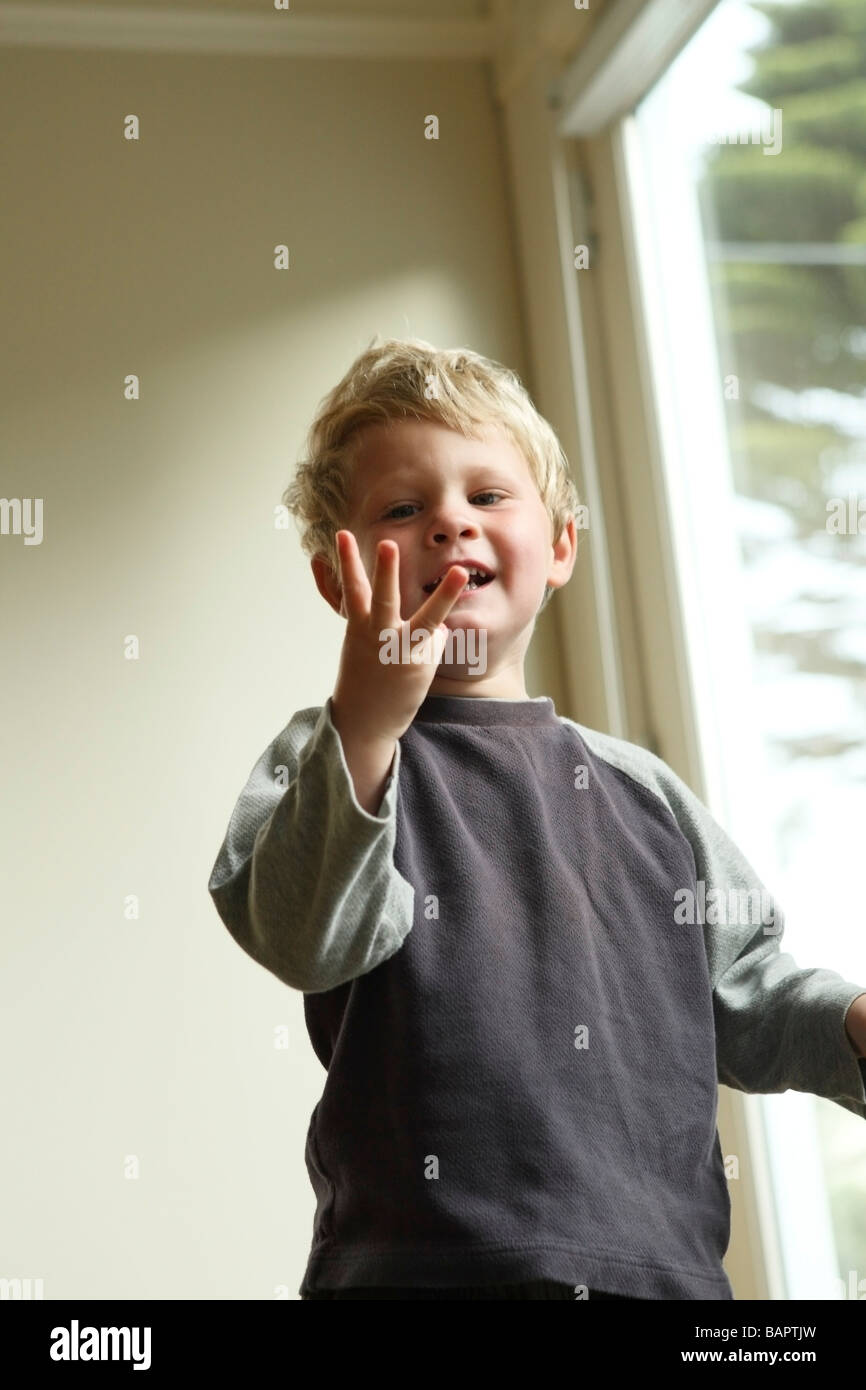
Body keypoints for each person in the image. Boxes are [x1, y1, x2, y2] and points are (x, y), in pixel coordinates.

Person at [208, 336, 866, 1301]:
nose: (448, 523)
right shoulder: (330, 758)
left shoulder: (643, 793)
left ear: (560, 545)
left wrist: (850, 1025)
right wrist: (365, 721)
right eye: (403, 507)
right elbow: (308, 935)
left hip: (669, 1287)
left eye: (486, 496)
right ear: (336, 579)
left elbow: (751, 993)